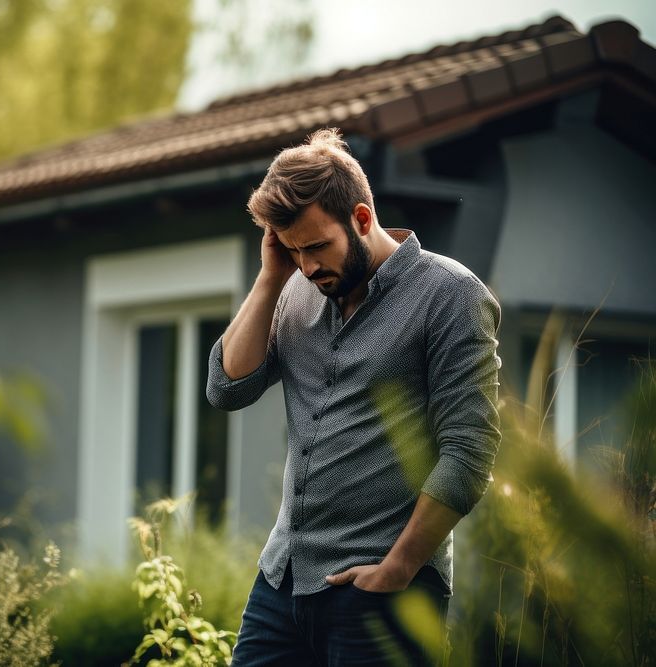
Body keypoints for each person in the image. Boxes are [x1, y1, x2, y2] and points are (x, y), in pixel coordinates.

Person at [206, 128, 502, 666]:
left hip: (383, 591)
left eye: (317, 246)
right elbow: (227, 388)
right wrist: (271, 277)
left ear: (362, 219)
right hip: (283, 580)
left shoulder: (451, 295)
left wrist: (398, 568)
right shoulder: (295, 288)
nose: (307, 266)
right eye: (293, 250)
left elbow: (469, 451)